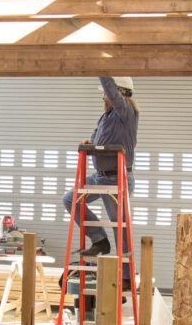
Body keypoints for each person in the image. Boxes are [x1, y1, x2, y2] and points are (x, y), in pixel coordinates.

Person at [61, 77, 139, 287]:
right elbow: (98, 139)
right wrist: (90, 142)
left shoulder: (127, 113)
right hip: (100, 176)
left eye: (106, 92)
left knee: (118, 226)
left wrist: (100, 67)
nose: (103, 96)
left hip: (117, 178)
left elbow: (111, 91)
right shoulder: (106, 116)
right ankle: (99, 239)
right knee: (70, 199)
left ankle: (125, 277)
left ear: (119, 93)